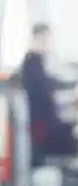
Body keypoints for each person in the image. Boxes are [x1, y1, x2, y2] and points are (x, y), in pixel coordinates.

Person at [18, 23, 74, 167]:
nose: (48, 44)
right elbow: (44, 87)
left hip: (41, 120)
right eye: (45, 39)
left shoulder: (36, 62)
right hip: (39, 122)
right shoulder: (32, 62)